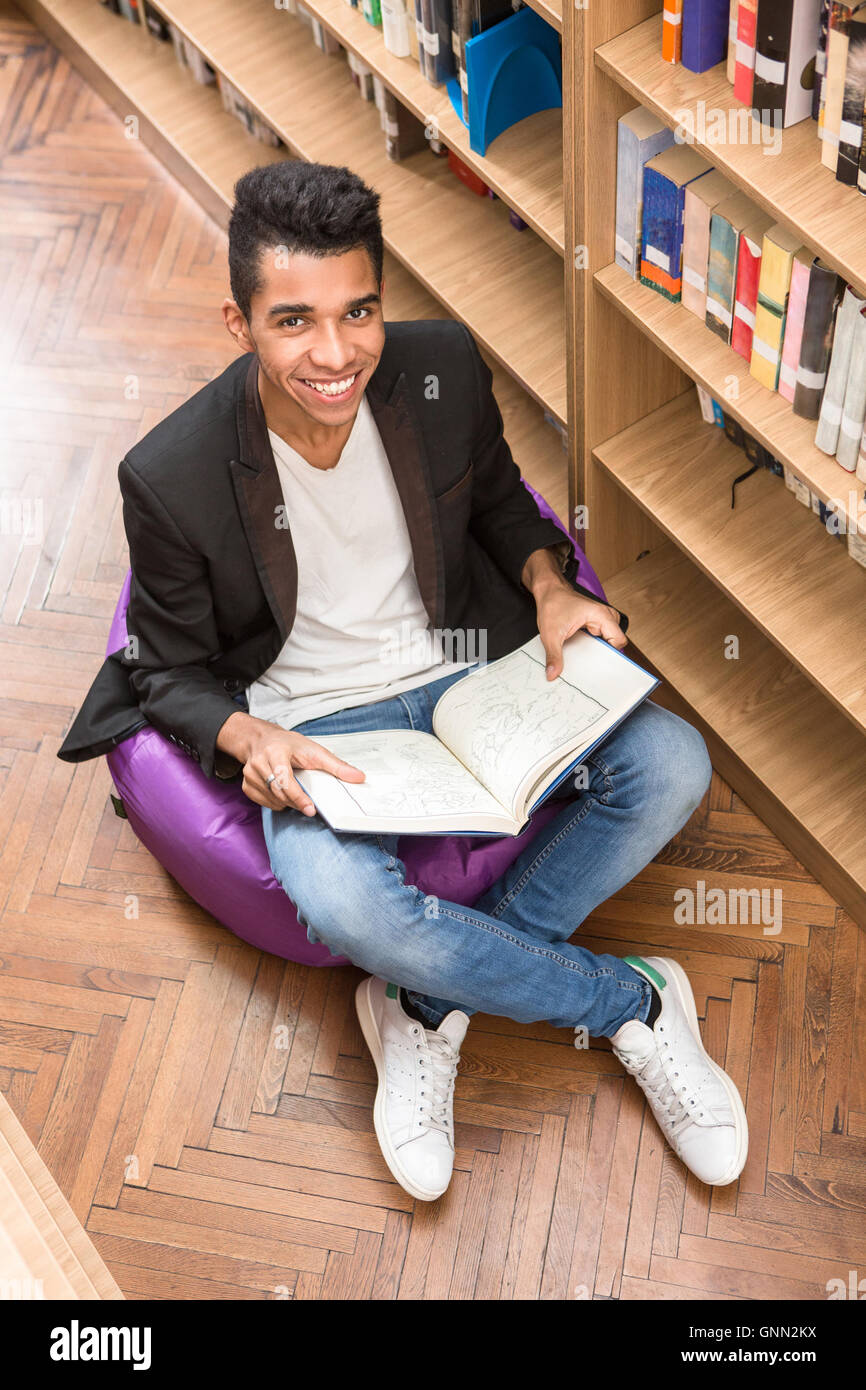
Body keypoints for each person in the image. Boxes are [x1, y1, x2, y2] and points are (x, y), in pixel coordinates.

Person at [57, 161, 748, 1204]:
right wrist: (249, 740)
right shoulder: (173, 472)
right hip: (321, 722)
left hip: (469, 663)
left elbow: (504, 505)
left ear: (383, 300)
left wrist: (547, 584)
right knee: (339, 902)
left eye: (358, 311)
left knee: (671, 762)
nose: (334, 355)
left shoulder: (441, 369)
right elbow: (163, 667)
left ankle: (420, 1005)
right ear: (237, 322)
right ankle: (633, 1004)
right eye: (293, 321)